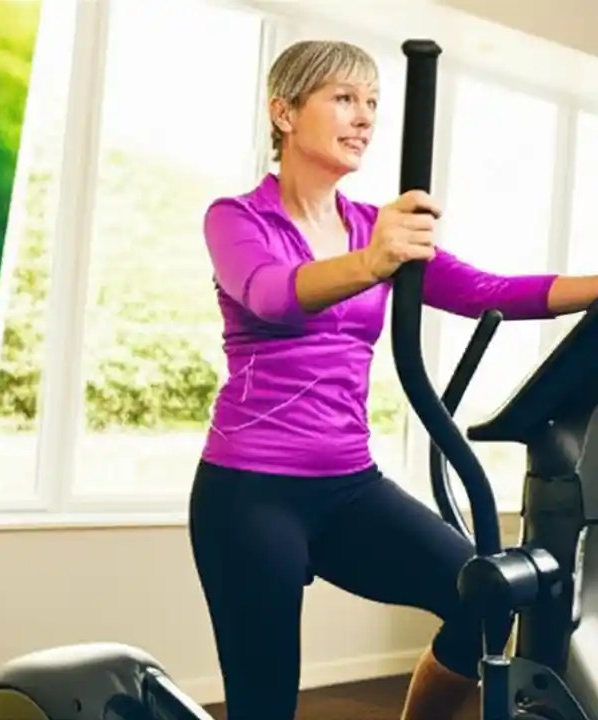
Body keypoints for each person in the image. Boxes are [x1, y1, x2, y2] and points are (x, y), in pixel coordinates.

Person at [189, 40, 598, 720]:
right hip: (250, 495)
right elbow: (269, 294)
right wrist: (376, 259)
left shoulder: (372, 228)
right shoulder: (238, 218)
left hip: (348, 486)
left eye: (373, 103)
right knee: (264, 703)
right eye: (344, 98)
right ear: (284, 112)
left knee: (487, 595)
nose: (365, 118)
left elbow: (488, 290)